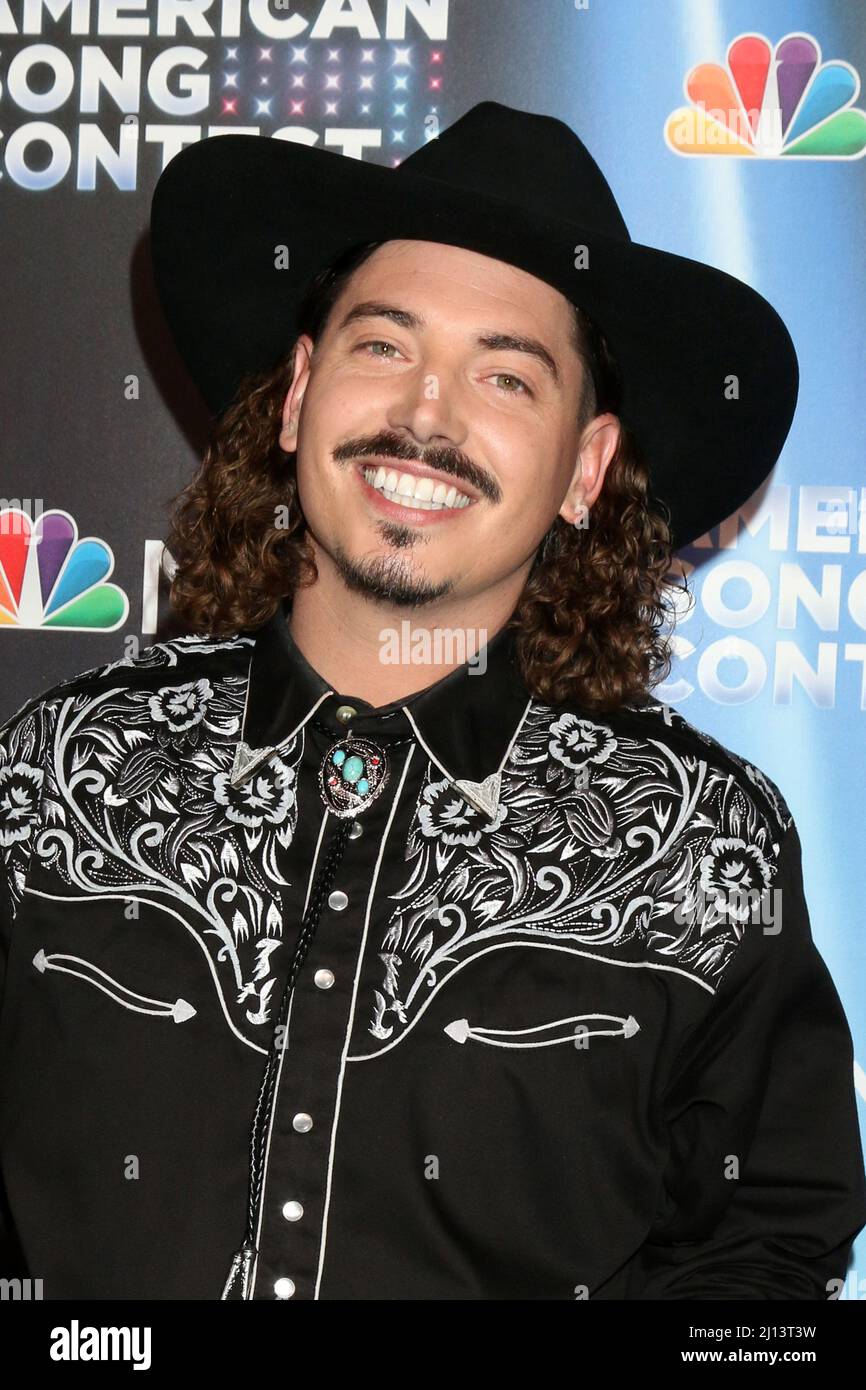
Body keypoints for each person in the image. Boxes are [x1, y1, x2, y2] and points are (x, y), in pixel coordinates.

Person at [1, 101, 864, 1301]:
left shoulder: (700, 848)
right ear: (300, 393)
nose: (426, 414)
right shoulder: (56, 772)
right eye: (382, 345)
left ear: (584, 467)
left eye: (504, 377)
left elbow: (763, 1259)